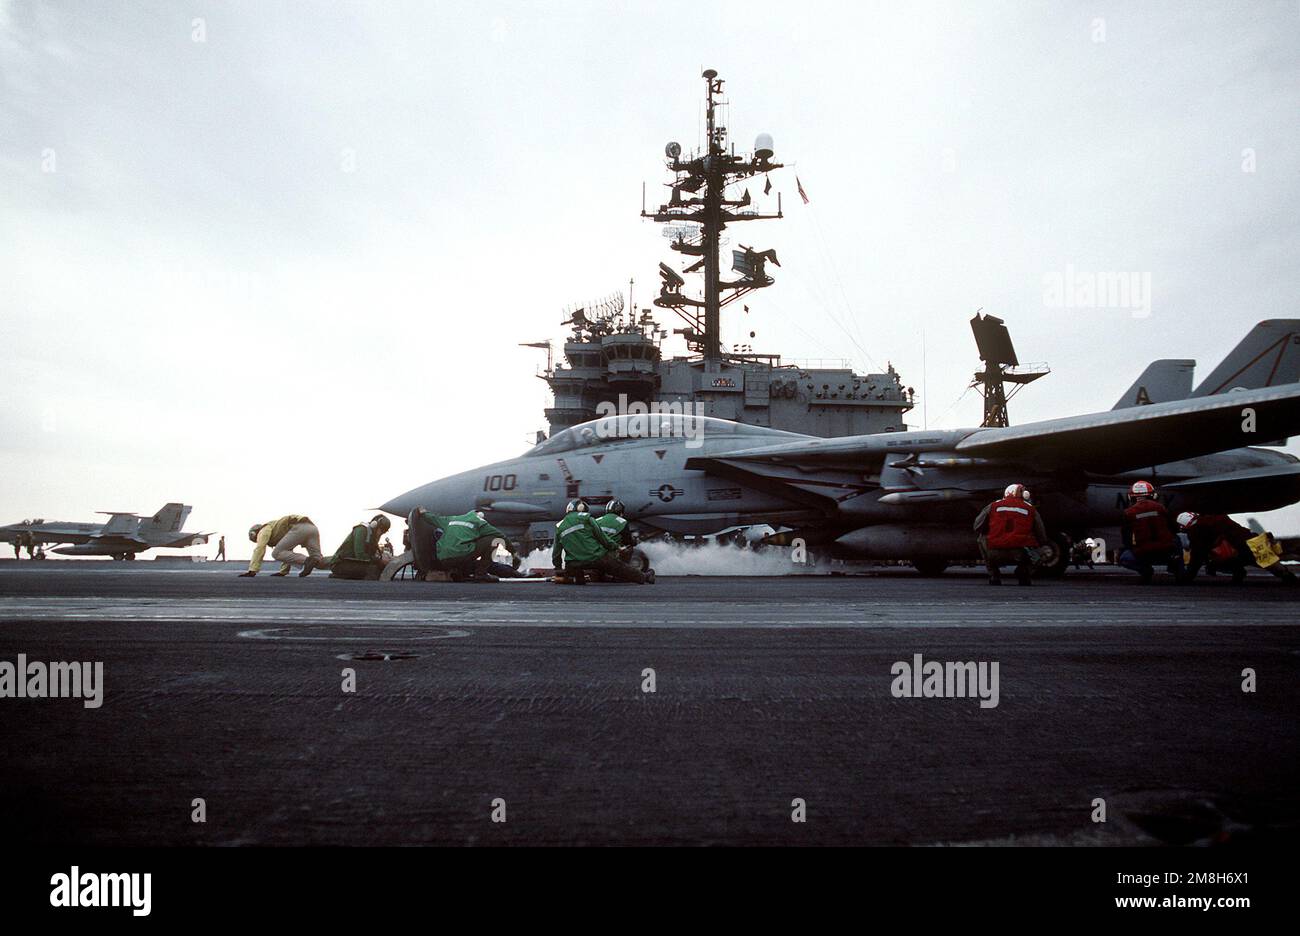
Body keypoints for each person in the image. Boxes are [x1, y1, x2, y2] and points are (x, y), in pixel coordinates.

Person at [1178, 512, 1295, 584]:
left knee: (1216, 563)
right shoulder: (1216, 518)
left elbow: (1197, 556)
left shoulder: (1197, 531)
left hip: (1240, 550)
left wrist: (1188, 577)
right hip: (1254, 540)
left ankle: (1238, 572)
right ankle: (1290, 578)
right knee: (1271, 563)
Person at [553, 500, 650, 584]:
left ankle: (580, 578)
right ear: (581, 508)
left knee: (577, 579)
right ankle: (645, 577)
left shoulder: (559, 526)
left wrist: (558, 567)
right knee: (619, 567)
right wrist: (616, 547)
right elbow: (602, 537)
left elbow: (556, 551)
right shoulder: (587, 518)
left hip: (573, 563)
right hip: (595, 557)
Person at [974, 483, 1047, 585]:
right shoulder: (1030, 509)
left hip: (995, 550)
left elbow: (977, 526)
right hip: (1021, 552)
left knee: (980, 539)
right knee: (1043, 549)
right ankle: (1024, 573)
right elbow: (1041, 534)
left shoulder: (993, 505)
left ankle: (994, 575)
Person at [421, 508, 516, 582]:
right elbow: (501, 537)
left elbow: (431, 518)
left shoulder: (451, 519)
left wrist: (422, 512)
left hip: (444, 560)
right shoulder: (480, 522)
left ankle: (458, 571)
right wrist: (514, 554)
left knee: (463, 552)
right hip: (462, 556)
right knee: (493, 540)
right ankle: (481, 574)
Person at [1117, 480, 1185, 584]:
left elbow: (1126, 537)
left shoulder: (1128, 513)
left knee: (1124, 558)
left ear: (1131, 496)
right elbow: (1173, 528)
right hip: (1166, 551)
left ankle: (1146, 572)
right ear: (1152, 495)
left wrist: (1132, 549)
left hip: (1143, 552)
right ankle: (1178, 572)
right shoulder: (1160, 507)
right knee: (1178, 539)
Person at [240, 515, 324, 577]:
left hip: (298, 527)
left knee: (276, 553)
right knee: (318, 561)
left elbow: (260, 548)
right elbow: (288, 551)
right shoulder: (278, 530)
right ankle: (336, 566)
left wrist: (252, 570)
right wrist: (283, 572)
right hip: (312, 528)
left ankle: (307, 560)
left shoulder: (264, 529)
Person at [593, 499, 656, 582]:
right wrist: (635, 541)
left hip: (593, 556)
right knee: (628, 548)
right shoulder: (622, 522)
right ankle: (637, 576)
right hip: (608, 558)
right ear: (621, 511)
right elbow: (628, 542)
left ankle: (601, 574)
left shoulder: (597, 520)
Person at [329, 515, 391, 580]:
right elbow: (359, 555)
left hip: (353, 563)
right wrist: (379, 561)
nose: (381, 534)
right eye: (382, 530)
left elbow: (371, 555)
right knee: (372, 570)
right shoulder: (361, 530)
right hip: (340, 563)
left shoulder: (371, 536)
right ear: (374, 525)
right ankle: (340, 575)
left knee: (378, 569)